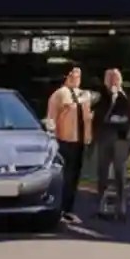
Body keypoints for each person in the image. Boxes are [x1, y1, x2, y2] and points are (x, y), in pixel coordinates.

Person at [46, 66, 92, 224]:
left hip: (79, 140)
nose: (77, 77)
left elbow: (87, 117)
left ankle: (69, 209)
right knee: (64, 176)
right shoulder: (59, 95)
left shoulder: (83, 94)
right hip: (64, 140)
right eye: (73, 74)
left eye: (79, 74)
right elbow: (51, 118)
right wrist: (52, 138)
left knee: (74, 176)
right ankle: (59, 209)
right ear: (66, 76)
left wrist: (88, 136)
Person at [91, 68, 130, 220]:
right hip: (105, 136)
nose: (112, 82)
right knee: (102, 170)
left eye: (115, 79)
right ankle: (101, 203)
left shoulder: (127, 98)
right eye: (109, 79)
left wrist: (121, 120)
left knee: (119, 169)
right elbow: (98, 116)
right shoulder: (102, 98)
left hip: (121, 138)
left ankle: (121, 204)